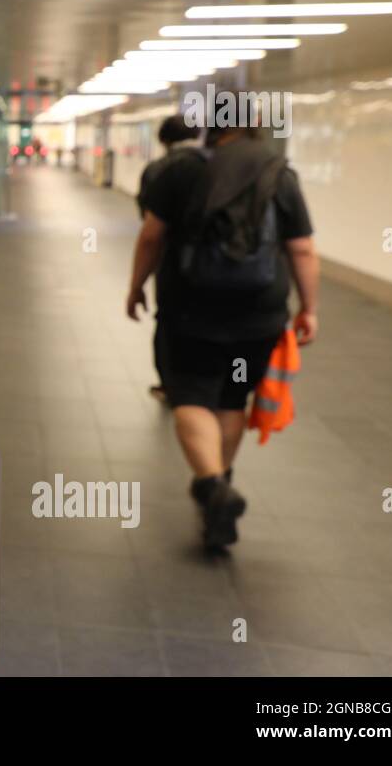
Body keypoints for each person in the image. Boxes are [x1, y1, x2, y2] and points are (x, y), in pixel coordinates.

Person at [124, 119, 319, 551]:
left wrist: (137, 285)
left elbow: (152, 236)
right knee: (231, 398)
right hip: (257, 313)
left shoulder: (181, 170)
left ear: (212, 129)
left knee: (191, 395)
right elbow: (301, 247)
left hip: (190, 308)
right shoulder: (279, 173)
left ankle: (212, 486)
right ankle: (220, 484)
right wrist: (309, 307)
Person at [136, 115, 201, 402]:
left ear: (163, 140)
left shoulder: (159, 170)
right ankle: (204, 381)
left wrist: (136, 283)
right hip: (219, 264)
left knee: (169, 321)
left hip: (173, 261)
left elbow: (151, 232)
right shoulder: (218, 165)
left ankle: (170, 384)